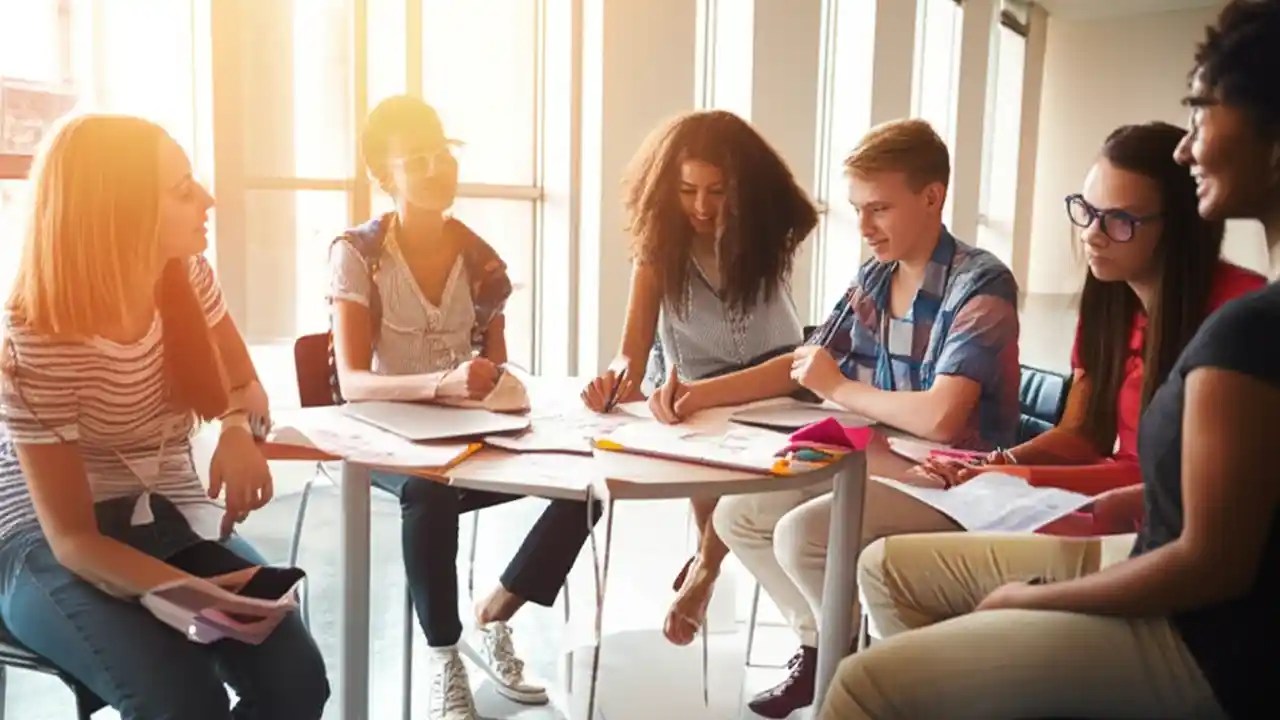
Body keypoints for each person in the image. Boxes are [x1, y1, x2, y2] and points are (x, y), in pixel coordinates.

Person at [820, 2, 1280, 717]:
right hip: (1135, 537)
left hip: (1208, 640)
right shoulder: (1115, 309)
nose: (1093, 234)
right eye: (1086, 211)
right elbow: (1119, 457)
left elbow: (1207, 554)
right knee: (877, 564)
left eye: (1201, 114)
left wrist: (1033, 583)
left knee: (863, 679)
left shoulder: (1242, 326)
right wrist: (1007, 468)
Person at [676, 118, 1023, 718]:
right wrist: (700, 394)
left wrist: (839, 388)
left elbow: (941, 417)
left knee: (801, 534)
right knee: (739, 515)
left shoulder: (982, 282)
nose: (863, 227)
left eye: (879, 208)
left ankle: (867, 662)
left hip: (957, 484)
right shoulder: (876, 276)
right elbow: (804, 365)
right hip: (884, 461)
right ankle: (825, 647)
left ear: (932, 197)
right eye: (858, 209)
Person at [0, 114, 329, 719]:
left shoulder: (186, 277)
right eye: (182, 190)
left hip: (159, 515)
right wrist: (196, 594)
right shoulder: (35, 335)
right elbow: (73, 540)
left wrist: (235, 431)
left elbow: (244, 386)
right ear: (117, 214)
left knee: (296, 681)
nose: (208, 198)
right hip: (39, 538)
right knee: (180, 700)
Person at [329, 95, 597, 720]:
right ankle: (444, 655)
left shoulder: (482, 261)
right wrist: (437, 386)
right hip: (389, 442)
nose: (435, 168)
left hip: (469, 438)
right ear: (384, 177)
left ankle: (496, 611)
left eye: (441, 154)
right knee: (429, 494)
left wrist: (501, 388)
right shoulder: (358, 252)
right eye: (415, 160)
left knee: (591, 484)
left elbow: (496, 366)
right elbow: (351, 382)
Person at [916, 122, 1265, 537]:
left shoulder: (1241, 310)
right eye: (1087, 211)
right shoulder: (1111, 301)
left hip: (1164, 520)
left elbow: (1184, 485)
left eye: (1119, 220)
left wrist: (1016, 476)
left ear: (1178, 227)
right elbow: (1084, 432)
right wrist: (998, 463)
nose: (1091, 235)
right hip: (1106, 498)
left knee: (911, 551)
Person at [580, 109, 818, 647]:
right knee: (702, 452)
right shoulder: (659, 247)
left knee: (735, 474)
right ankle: (709, 561)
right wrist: (612, 383)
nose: (703, 207)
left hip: (774, 377)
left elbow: (791, 213)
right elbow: (629, 355)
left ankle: (706, 568)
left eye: (717, 191)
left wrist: (738, 218)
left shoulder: (765, 232)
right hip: (695, 385)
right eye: (688, 191)